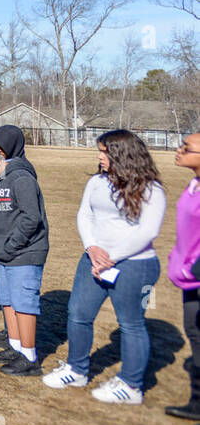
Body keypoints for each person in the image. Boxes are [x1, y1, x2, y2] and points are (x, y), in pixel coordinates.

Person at [42, 130, 166, 403]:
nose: (99, 156)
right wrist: (92, 247)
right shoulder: (97, 182)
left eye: (104, 152)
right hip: (93, 259)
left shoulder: (151, 189)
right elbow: (84, 214)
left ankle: (131, 386)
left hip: (136, 266)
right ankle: (76, 370)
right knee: (78, 313)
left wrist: (111, 257)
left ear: (124, 155)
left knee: (131, 324)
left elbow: (148, 232)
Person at [0, 141, 49, 377]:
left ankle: (29, 356)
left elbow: (31, 219)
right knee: (7, 300)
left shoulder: (21, 179)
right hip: (4, 253)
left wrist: (11, 245)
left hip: (24, 252)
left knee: (23, 303)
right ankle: (15, 347)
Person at [165, 132, 200, 425]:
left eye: (186, 148)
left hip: (197, 279)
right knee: (196, 337)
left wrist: (194, 269)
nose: (179, 150)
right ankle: (197, 404)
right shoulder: (193, 185)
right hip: (190, 281)